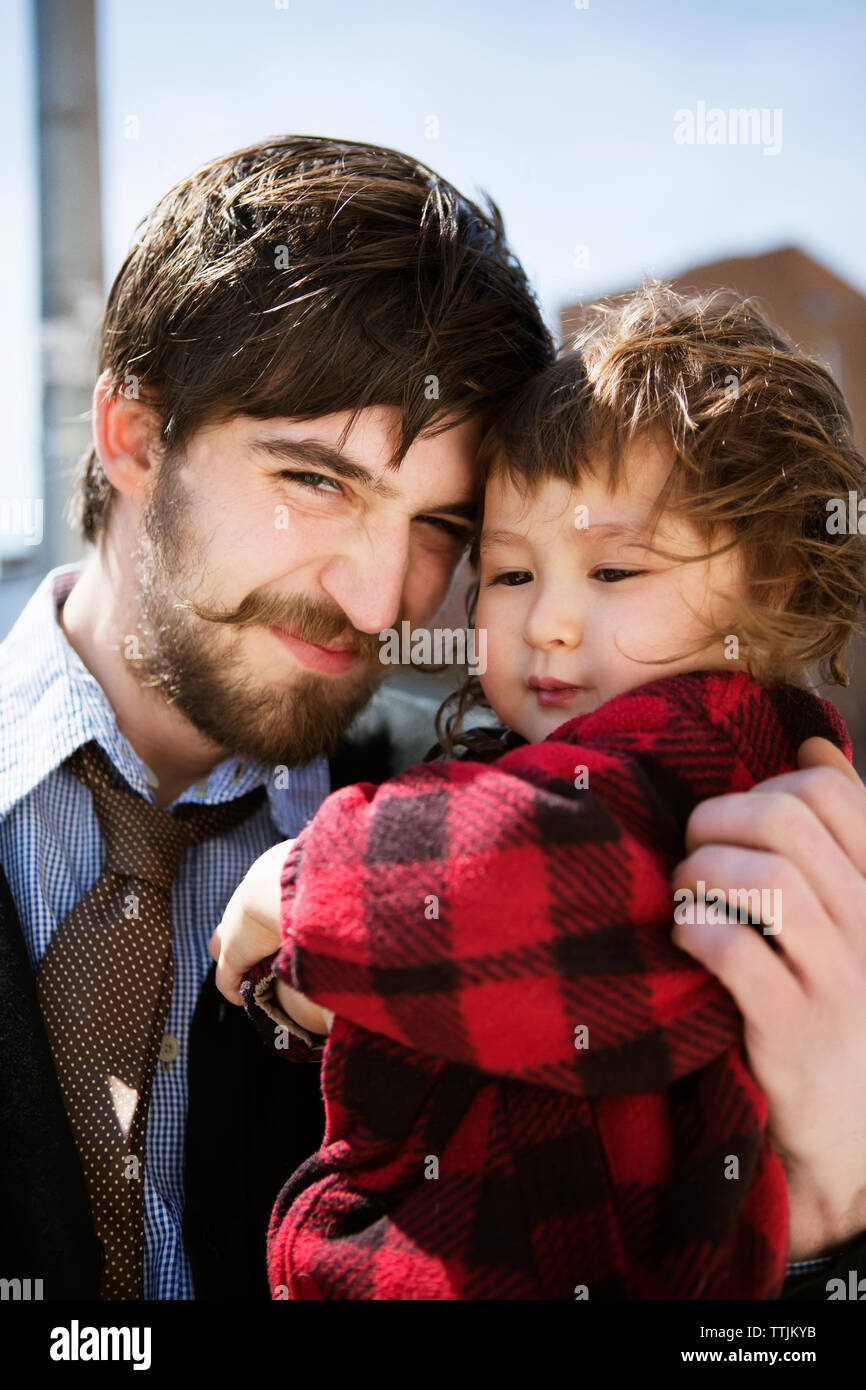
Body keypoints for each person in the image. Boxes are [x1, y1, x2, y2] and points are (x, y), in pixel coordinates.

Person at [1, 136, 864, 1303]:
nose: (379, 599)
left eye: (437, 530)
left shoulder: (532, 798)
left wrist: (819, 1219)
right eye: (316, 482)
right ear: (136, 436)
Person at [211, 284, 865, 1298]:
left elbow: (537, 875)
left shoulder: (707, 738)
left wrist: (304, 889)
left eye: (613, 572)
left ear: (770, 584)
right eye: (511, 575)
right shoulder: (549, 759)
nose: (548, 622)